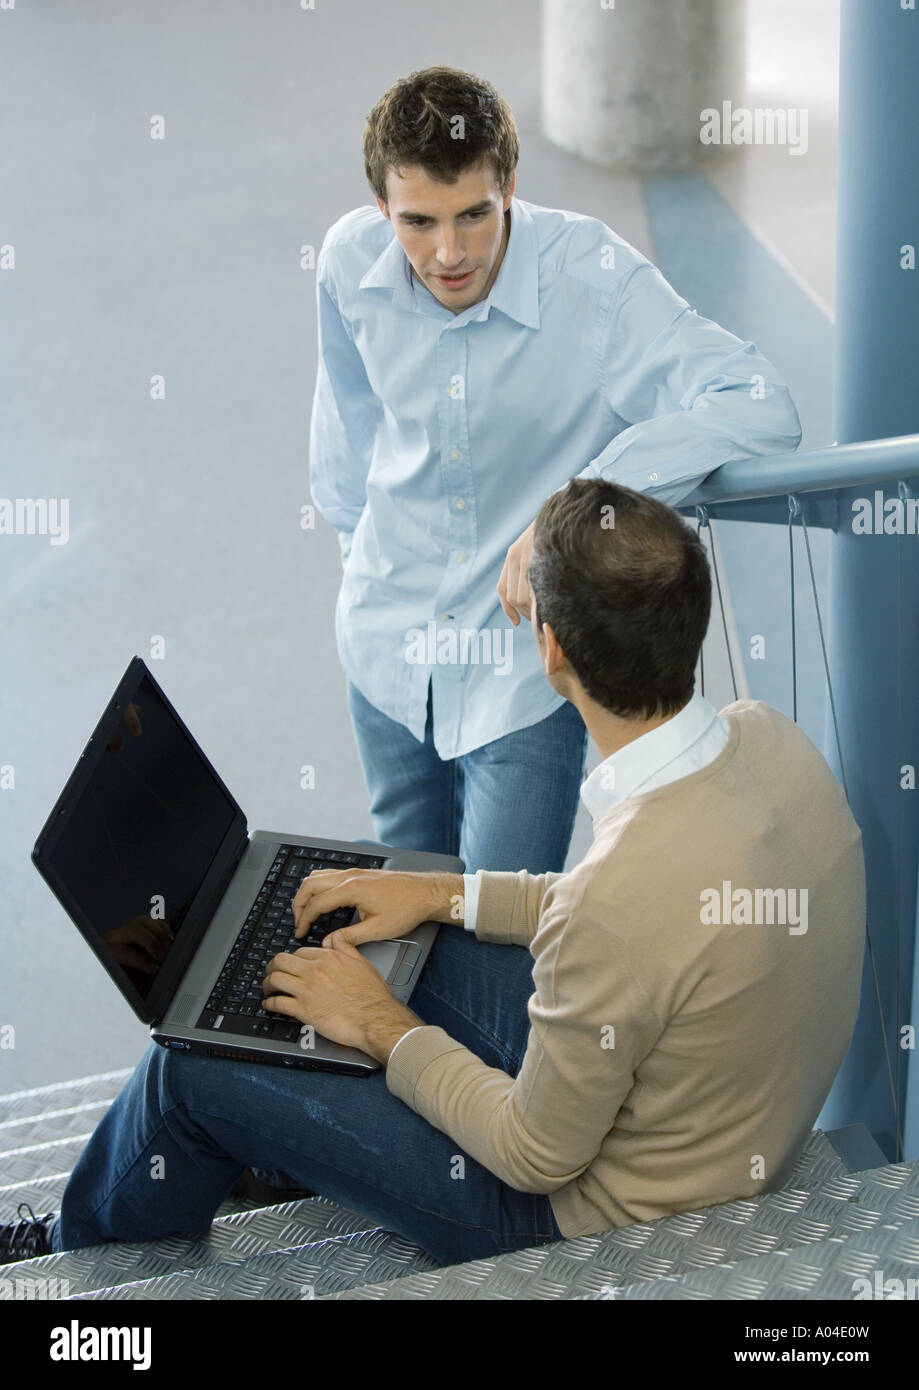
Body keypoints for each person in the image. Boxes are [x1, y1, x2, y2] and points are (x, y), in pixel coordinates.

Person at [1, 480, 865, 1268]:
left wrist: (381, 1026)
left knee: (189, 1066)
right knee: (401, 941)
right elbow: (653, 920)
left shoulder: (616, 905)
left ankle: (77, 1251)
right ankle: (280, 1138)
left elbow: (536, 1154)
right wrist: (442, 895)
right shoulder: (767, 740)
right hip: (706, 1107)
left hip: (582, 1220)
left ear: (550, 647)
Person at [309, 64, 803, 878]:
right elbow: (346, 439)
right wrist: (360, 575)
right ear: (380, 211)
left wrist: (570, 510)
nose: (449, 253)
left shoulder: (590, 277)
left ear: (509, 184)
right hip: (385, 651)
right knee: (399, 913)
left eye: (474, 214)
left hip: (520, 677)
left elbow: (759, 404)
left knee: (500, 943)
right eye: (417, 222)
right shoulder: (345, 262)